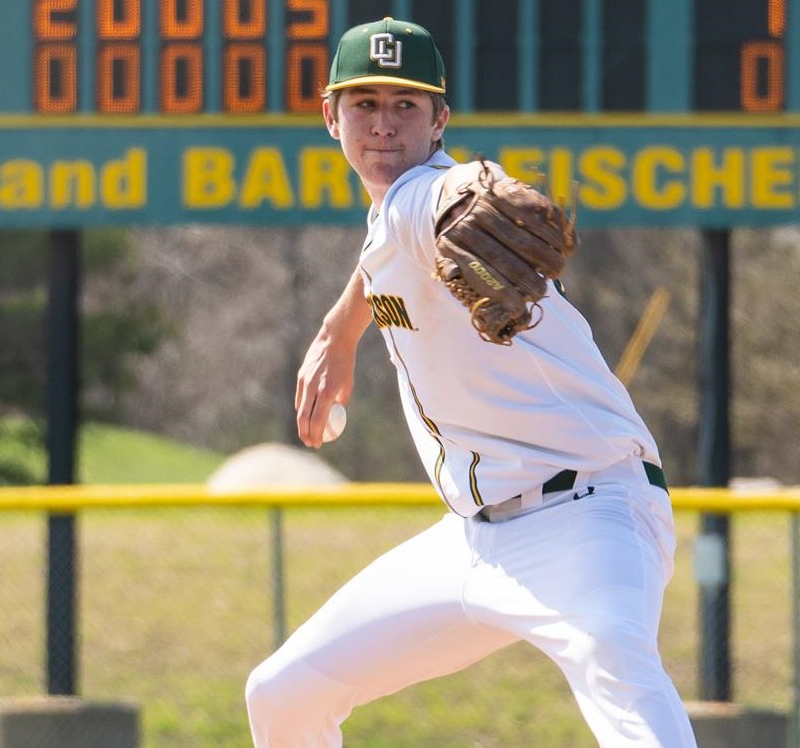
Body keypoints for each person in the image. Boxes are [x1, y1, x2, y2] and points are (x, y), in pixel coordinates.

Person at [245, 17, 698, 748]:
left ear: (440, 122)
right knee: (283, 694)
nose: (384, 124)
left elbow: (439, 198)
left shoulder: (425, 198)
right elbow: (383, 253)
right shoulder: (387, 225)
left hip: (589, 514)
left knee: (617, 668)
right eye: (365, 104)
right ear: (330, 116)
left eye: (406, 106)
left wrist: (467, 193)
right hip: (472, 541)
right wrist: (339, 332)